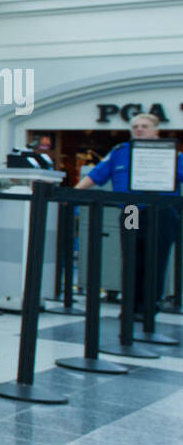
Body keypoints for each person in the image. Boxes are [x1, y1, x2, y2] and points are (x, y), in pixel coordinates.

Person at [75, 112, 183, 316]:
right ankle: (130, 308)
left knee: (156, 259)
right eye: (135, 126)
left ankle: (149, 307)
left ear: (156, 131)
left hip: (159, 211)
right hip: (132, 211)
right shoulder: (120, 152)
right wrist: (72, 193)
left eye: (144, 126)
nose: (139, 129)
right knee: (131, 256)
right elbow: (96, 175)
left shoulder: (171, 154)